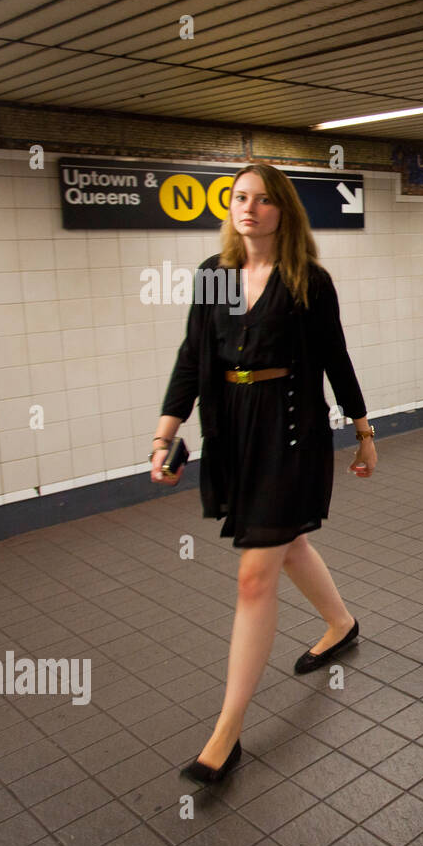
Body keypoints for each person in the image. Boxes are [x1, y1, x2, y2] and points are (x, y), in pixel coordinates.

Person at [154, 164, 376, 783]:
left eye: (261, 200)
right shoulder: (215, 277)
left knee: (256, 575)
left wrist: (363, 431)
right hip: (233, 432)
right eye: (238, 199)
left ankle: (226, 734)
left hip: (290, 430)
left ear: (284, 210)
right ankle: (341, 623)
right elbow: (192, 356)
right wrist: (166, 431)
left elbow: (335, 356)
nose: (246, 209)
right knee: (290, 544)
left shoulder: (307, 281)